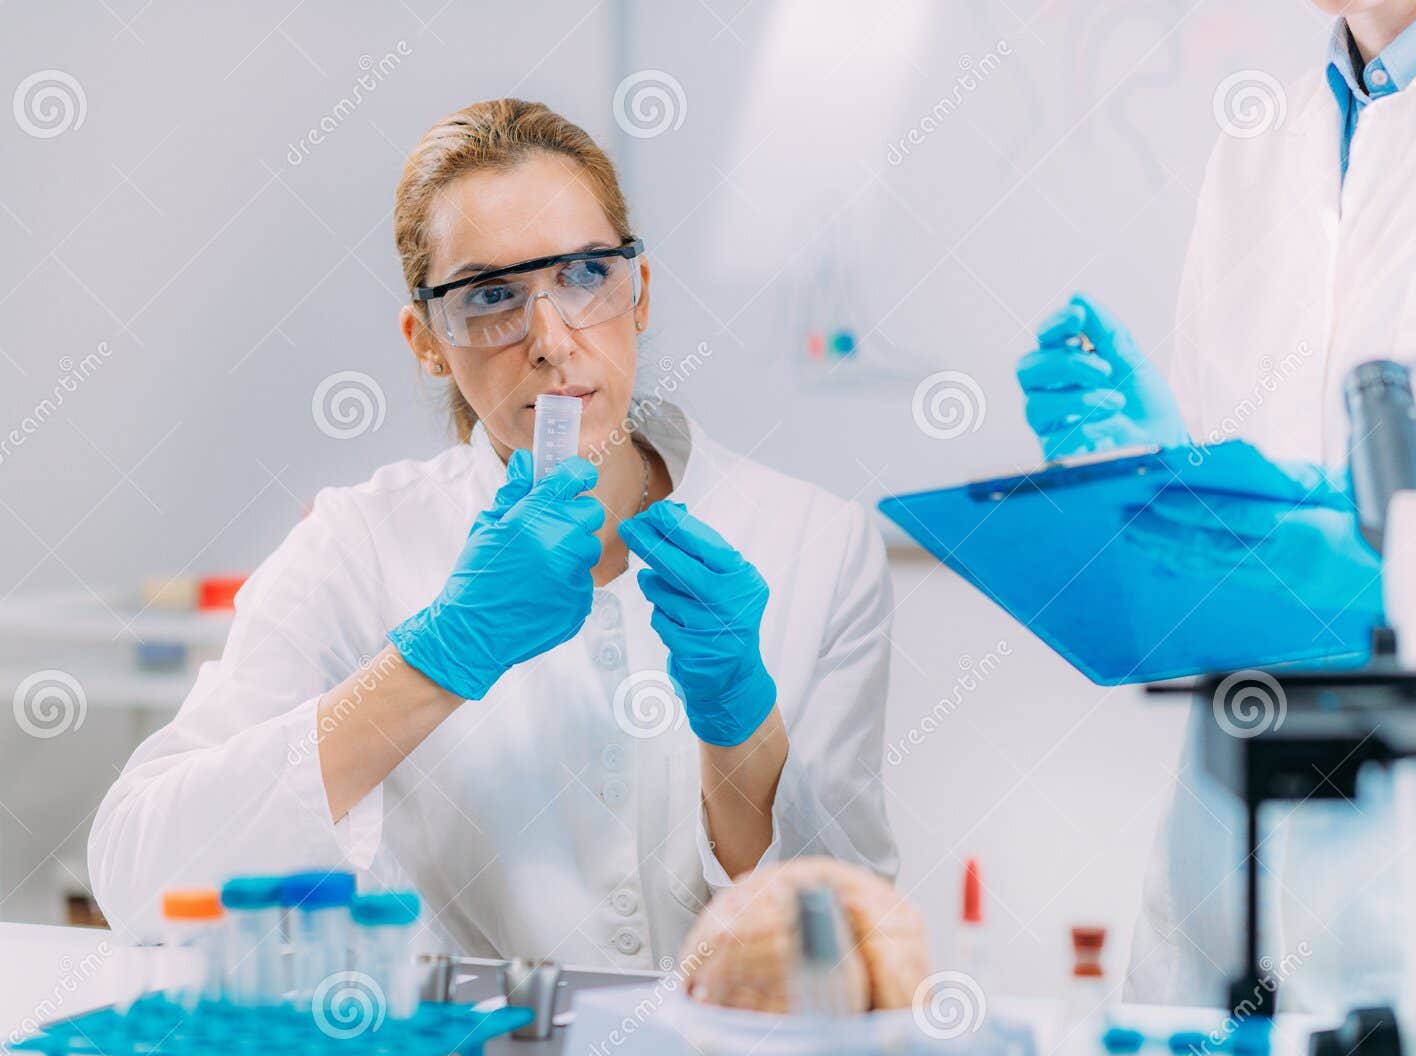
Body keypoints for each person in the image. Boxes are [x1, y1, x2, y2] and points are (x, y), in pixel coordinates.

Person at [88, 100, 898, 969]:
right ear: (428, 342)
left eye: (584, 273)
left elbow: (852, 944)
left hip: (721, 1051)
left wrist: (744, 730)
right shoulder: (356, 545)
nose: (550, 340)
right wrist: (436, 657)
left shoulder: (818, 540)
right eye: (490, 296)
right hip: (460, 1052)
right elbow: (138, 876)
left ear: (640, 293)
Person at [1015, 0, 1416, 1010]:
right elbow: (1255, 526)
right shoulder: (1261, 144)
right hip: (1218, 897)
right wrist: (1172, 481)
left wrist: (1384, 576)